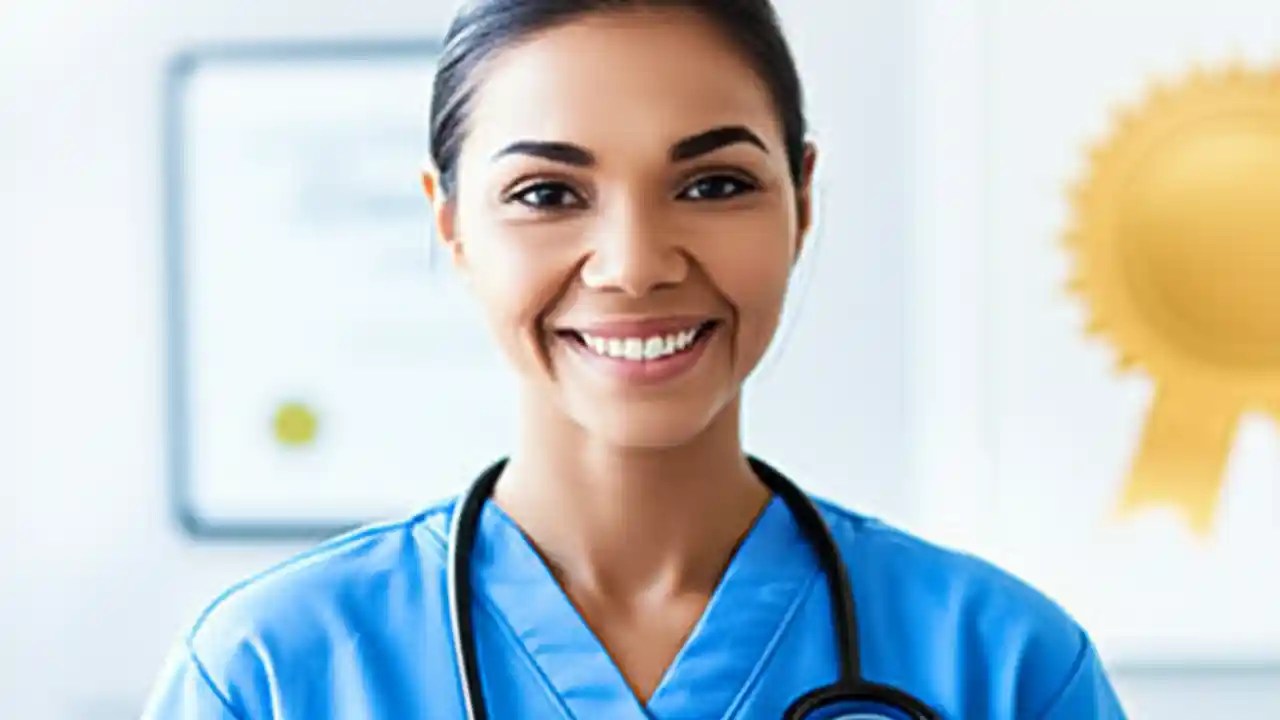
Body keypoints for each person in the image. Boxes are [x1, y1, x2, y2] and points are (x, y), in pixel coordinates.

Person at [142, 1, 1128, 717]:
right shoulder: (271, 675)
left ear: (803, 199)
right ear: (449, 224)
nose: (634, 266)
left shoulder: (1000, 671)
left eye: (710, 184)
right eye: (545, 194)